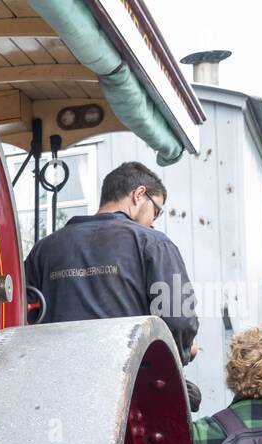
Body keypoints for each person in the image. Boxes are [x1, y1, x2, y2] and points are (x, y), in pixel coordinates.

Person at [24, 161, 201, 409]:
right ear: (139, 194)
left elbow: (23, 315)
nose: (154, 221)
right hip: (128, 393)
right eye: (156, 211)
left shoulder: (44, 249)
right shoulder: (154, 243)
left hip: (58, 390)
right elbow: (179, 319)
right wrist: (183, 351)